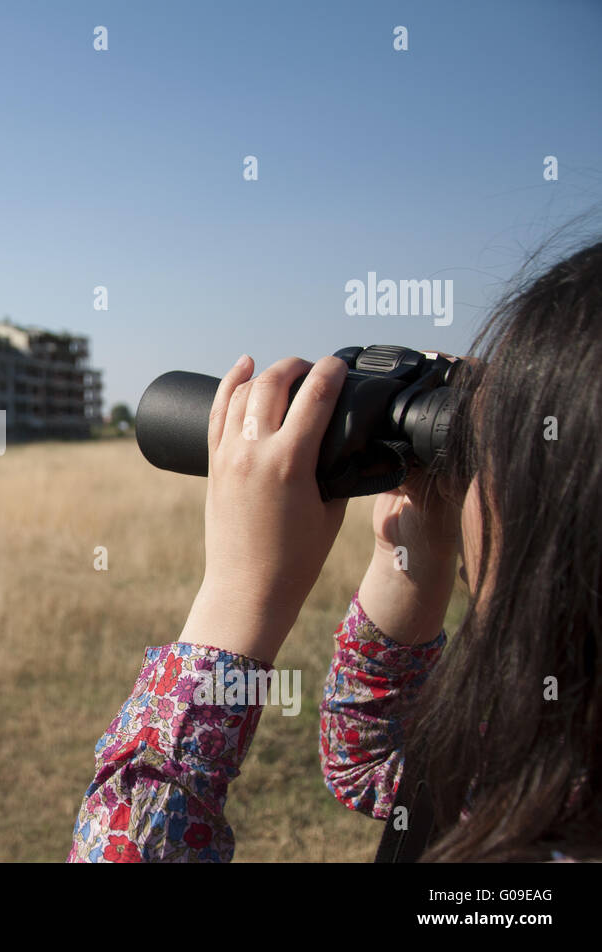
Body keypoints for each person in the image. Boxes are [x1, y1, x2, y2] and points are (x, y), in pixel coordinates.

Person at [68, 240, 602, 863]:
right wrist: (412, 555)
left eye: (494, 452)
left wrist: (236, 599)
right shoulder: (559, 758)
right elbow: (372, 760)